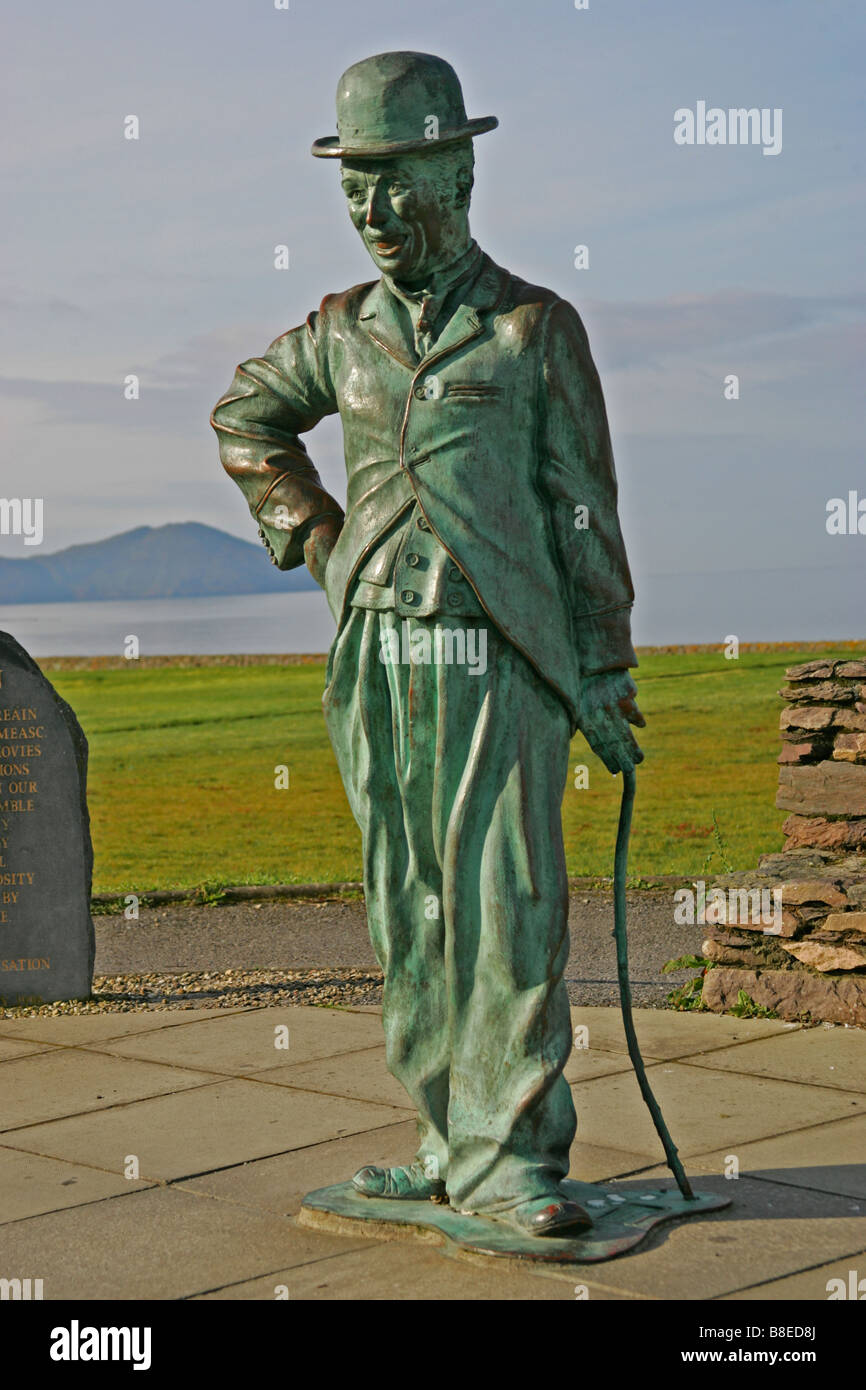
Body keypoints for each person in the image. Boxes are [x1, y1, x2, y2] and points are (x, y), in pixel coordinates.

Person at [212, 50, 644, 1238]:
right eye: (353, 187)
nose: (371, 211)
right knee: (406, 908)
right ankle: (446, 1139)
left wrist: (602, 663)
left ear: (456, 172)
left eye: (396, 181)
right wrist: (313, 535)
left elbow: (579, 509)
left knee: (505, 903)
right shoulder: (341, 334)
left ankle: (513, 1160)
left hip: (496, 655)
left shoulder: (528, 329)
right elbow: (246, 417)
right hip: (378, 657)